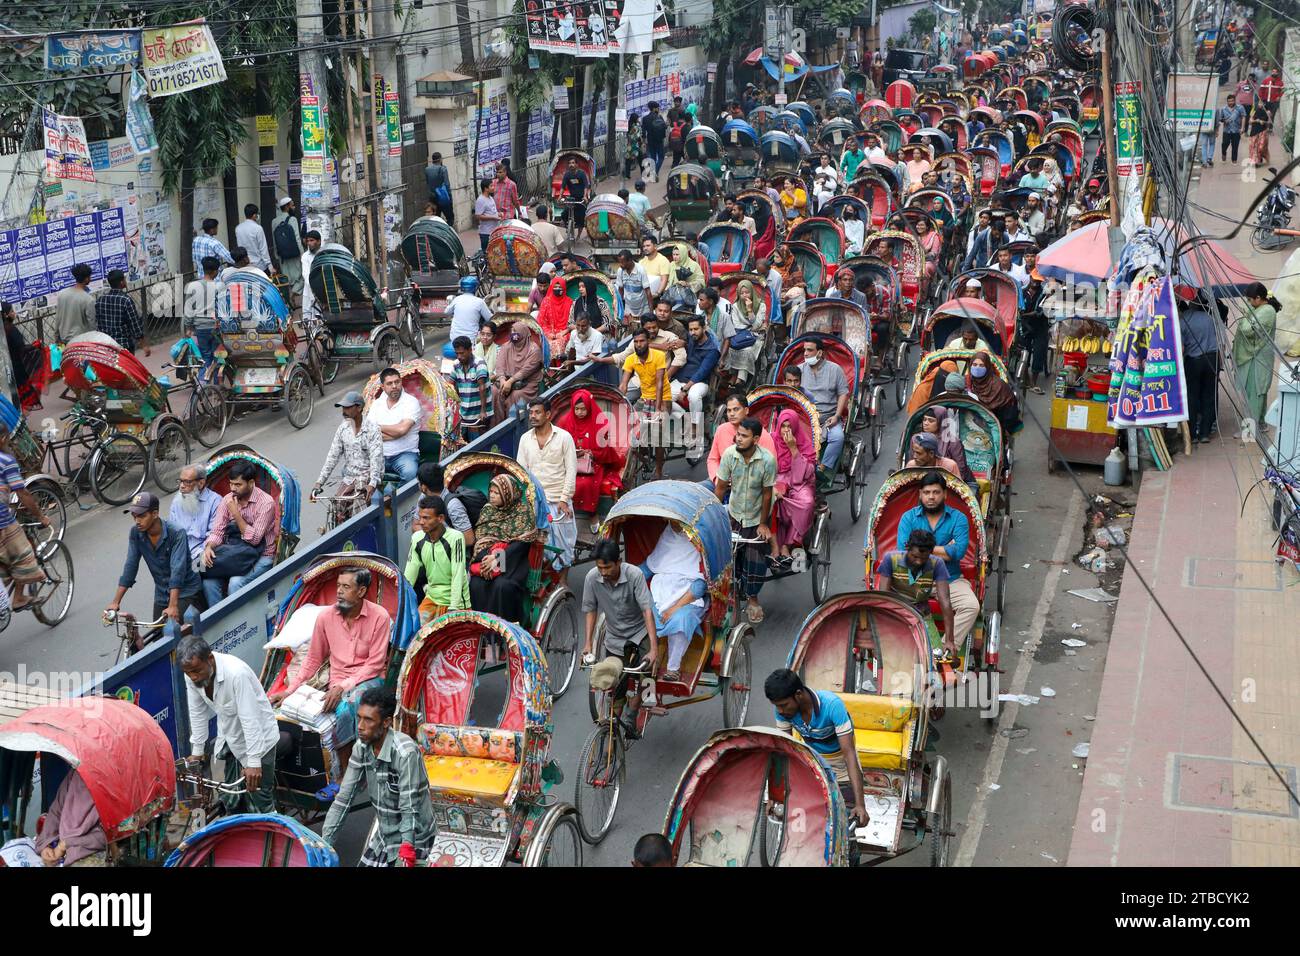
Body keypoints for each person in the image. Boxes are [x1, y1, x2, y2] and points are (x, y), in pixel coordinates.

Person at [271, 566, 391, 770]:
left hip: (369, 680)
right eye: (338, 586)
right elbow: (312, 660)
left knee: (344, 710)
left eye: (346, 587)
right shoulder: (326, 617)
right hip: (337, 682)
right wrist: (289, 691)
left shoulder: (380, 616)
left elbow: (375, 663)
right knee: (295, 710)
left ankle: (345, 771)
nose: (339, 592)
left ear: (361, 591)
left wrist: (344, 686)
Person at [321, 687, 436, 866]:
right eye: (359, 718)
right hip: (385, 833)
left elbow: (409, 806)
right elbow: (343, 799)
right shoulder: (361, 747)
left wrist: (407, 848)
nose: (359, 726)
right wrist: (323, 844)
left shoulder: (405, 753)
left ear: (386, 722)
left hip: (415, 835)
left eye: (368, 720)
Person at [879, 470, 980, 659]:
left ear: (945, 494)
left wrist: (923, 548)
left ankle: (942, 649)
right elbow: (904, 550)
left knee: (971, 606)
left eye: (936, 492)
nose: (931, 497)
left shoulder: (958, 518)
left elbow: (958, 552)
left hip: (950, 579)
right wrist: (943, 550)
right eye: (926, 493)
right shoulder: (909, 518)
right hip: (913, 579)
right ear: (920, 494)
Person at [180, 635, 280, 813]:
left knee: (259, 804)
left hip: (259, 741)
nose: (193, 677)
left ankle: (271, 836)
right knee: (224, 795)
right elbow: (196, 712)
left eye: (197, 671)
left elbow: (250, 719)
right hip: (227, 736)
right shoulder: (192, 675)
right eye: (189, 673)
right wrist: (197, 751)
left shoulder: (236, 674)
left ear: (210, 659)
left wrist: (254, 762)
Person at [764, 669, 869, 827]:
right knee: (803, 814)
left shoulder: (832, 705)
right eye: (777, 706)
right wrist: (774, 794)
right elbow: (782, 751)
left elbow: (848, 754)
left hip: (840, 764)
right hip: (811, 760)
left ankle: (851, 849)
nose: (780, 711)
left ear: (798, 694)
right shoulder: (784, 712)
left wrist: (860, 805)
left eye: (783, 705)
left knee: (846, 819)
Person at [580, 538, 660, 736]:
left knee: (647, 674)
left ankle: (633, 710)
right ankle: (613, 728)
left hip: (639, 632)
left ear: (618, 562)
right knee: (616, 683)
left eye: (607, 567)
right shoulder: (592, 578)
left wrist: (654, 649)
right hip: (615, 636)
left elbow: (647, 610)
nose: (604, 572)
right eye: (600, 568)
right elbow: (590, 609)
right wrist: (588, 643)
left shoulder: (634, 575)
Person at [108, 492, 202, 639]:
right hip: (161, 592)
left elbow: (177, 570)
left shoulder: (176, 533)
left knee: (176, 636)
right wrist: (115, 602)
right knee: (157, 638)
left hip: (185, 591)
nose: (137, 521)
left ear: (155, 513)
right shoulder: (136, 533)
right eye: (134, 516)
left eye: (141, 516)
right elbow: (130, 566)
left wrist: (172, 605)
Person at [714, 417, 776, 624]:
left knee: (755, 560)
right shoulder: (730, 455)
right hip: (734, 513)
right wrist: (714, 516)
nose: (738, 439)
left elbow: (767, 494)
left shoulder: (767, 460)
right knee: (726, 558)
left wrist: (763, 523)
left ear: (756, 439)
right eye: (738, 434)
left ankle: (753, 599)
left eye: (744, 436)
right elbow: (721, 487)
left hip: (755, 516)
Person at [200, 460, 280, 604]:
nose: (233, 489)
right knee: (207, 580)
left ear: (251, 483)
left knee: (235, 583)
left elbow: (255, 539)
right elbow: (217, 530)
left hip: (261, 554)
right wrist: (209, 547)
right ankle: (218, 621)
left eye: (238, 485)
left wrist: (236, 513)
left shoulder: (266, 502)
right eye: (231, 484)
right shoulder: (227, 500)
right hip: (234, 551)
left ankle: (237, 623)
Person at [469, 473, 542, 623]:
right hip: (486, 558)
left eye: (497, 493)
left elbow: (522, 543)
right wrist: (486, 560)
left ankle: (506, 631)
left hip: (513, 562)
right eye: (491, 492)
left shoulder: (522, 511)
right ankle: (483, 631)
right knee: (476, 584)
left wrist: (498, 558)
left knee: (502, 587)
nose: (492, 496)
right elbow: (481, 539)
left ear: (507, 493)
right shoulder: (488, 510)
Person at [875, 528, 957, 655]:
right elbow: (884, 598)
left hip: (922, 616)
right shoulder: (891, 559)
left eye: (924, 558)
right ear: (907, 548)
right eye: (914, 556)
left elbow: (945, 602)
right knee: (886, 654)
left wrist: (949, 640)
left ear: (930, 553)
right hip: (894, 614)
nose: (918, 561)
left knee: (937, 655)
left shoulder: (937, 563)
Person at [517, 397, 578, 569]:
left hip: (559, 500)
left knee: (564, 547)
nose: (533, 416)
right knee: (538, 547)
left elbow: (571, 471)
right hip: (535, 501)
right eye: (531, 413)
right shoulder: (525, 439)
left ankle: (564, 582)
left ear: (548, 414)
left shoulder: (564, 438)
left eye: (537, 412)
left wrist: (564, 499)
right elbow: (522, 473)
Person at [642, 523, 707, 682]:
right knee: (641, 612)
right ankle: (651, 655)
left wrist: (674, 608)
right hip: (660, 594)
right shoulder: (667, 536)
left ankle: (673, 667)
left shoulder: (697, 540)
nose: (673, 522)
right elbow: (649, 567)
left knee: (681, 619)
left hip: (687, 598)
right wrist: (625, 575)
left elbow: (700, 586)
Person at [314, 390, 383, 513]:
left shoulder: (372, 428)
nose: (343, 411)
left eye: (347, 407)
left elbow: (376, 458)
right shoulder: (343, 428)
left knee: (358, 505)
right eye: (343, 408)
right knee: (337, 506)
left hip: (368, 475)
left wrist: (372, 483)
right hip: (350, 476)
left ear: (359, 407)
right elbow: (332, 456)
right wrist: (319, 483)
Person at [556, 388, 623, 514]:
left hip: (593, 463)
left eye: (583, 409)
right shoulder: (564, 421)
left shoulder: (600, 422)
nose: (579, 412)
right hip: (569, 462)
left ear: (589, 407)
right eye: (577, 409)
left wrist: (590, 453)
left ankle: (592, 514)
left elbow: (604, 450)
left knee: (585, 483)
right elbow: (558, 444)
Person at [405, 495, 469, 624]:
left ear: (440, 518)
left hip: (457, 602)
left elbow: (458, 574)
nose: (421, 522)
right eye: (420, 517)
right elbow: (410, 573)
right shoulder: (417, 538)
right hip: (432, 598)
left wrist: (454, 607)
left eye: (426, 518)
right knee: (416, 633)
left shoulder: (455, 537)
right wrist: (401, 602)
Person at [769, 408, 816, 571]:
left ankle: (788, 544)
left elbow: (807, 473)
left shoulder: (803, 441)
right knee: (768, 499)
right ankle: (773, 545)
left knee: (807, 502)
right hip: (776, 479)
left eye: (789, 426)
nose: (786, 430)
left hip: (798, 482)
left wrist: (793, 449)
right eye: (783, 426)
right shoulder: (771, 440)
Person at [798, 335, 849, 474]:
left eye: (809, 350)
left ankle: (824, 468)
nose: (805, 354)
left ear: (819, 353)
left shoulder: (835, 369)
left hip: (828, 417)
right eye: (804, 350)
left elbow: (843, 393)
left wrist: (837, 416)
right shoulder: (799, 370)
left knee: (838, 437)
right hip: (805, 417)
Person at [33, 770, 105, 867]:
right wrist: (46, 845)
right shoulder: (76, 773)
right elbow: (56, 811)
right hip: (60, 848)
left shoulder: (116, 783)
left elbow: (108, 836)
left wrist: (65, 844)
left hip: (90, 852)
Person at [366, 366, 423, 482]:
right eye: (389, 383)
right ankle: (370, 499)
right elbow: (368, 433)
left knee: (410, 473)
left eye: (397, 382)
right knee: (350, 470)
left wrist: (378, 427)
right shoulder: (377, 404)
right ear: (383, 387)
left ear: (401, 382)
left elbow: (402, 430)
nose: (394, 386)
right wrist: (396, 433)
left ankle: (394, 500)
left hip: (405, 454)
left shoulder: (411, 402)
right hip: (379, 455)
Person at [1234, 282, 1278, 428]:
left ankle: (1250, 430)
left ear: (1258, 298)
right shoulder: (1258, 309)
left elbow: (1247, 329)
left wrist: (1246, 316)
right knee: (1257, 393)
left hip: (1258, 357)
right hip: (1254, 356)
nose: (1248, 302)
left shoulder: (1266, 311)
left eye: (1250, 300)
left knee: (1255, 393)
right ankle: (1259, 424)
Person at [1180, 294, 1220, 444]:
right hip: (1212, 359)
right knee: (1209, 396)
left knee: (1192, 397)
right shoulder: (1209, 318)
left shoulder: (1183, 319)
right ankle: (1205, 434)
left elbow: (1182, 347)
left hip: (1194, 361)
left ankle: (1192, 435)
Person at [170, 464, 223, 567]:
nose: (181, 486)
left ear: (201, 483)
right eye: (180, 481)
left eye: (187, 482)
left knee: (210, 583)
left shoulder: (215, 501)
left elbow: (215, 534)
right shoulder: (177, 501)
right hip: (181, 555)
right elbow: (172, 533)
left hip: (205, 553)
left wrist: (197, 556)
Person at [492, 320, 544, 421]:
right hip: (505, 380)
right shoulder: (506, 346)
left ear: (523, 333)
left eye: (515, 331)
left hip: (526, 384)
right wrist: (502, 380)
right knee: (494, 391)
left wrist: (511, 381)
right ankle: (496, 425)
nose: (513, 333)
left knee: (516, 395)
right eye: (511, 331)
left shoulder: (534, 350)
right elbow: (500, 366)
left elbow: (525, 370)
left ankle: (512, 425)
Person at [95, 269, 148, 355]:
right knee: (127, 368)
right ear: (121, 282)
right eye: (124, 279)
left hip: (107, 346)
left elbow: (98, 323)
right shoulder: (126, 300)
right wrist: (143, 345)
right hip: (124, 346)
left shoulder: (100, 300)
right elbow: (135, 324)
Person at [183, 256, 222, 372]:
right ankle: (217, 386)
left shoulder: (192, 286)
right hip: (216, 327)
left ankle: (204, 385)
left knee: (205, 358)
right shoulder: (219, 287)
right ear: (215, 271)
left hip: (200, 328)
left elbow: (188, 311)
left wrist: (188, 327)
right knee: (217, 358)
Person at [967, 350, 1020, 433]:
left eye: (981, 365)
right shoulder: (967, 381)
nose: (977, 368)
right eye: (974, 365)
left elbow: (1009, 412)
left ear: (987, 367)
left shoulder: (999, 386)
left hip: (998, 426)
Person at [920, 405, 974, 482]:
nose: (926, 423)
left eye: (931, 421)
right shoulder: (919, 439)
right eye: (924, 420)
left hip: (956, 482)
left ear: (940, 422)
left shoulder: (953, 442)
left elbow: (961, 470)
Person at [450, 336, 492, 436]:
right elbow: (451, 384)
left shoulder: (479, 364)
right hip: (463, 412)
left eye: (462, 353)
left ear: (470, 350)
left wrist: (483, 411)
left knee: (476, 443)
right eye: (457, 353)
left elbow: (482, 387)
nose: (459, 356)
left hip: (479, 413)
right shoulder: (456, 365)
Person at [728, 278, 766, 385]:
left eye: (747, 292)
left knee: (748, 350)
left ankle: (741, 378)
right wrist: (749, 326)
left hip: (755, 336)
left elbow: (757, 325)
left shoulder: (760, 305)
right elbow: (736, 324)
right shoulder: (735, 306)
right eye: (742, 293)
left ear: (752, 292)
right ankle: (734, 373)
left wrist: (749, 310)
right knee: (732, 347)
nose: (745, 295)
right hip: (740, 334)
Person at [54, 263, 96, 344]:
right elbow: (92, 324)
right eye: (90, 277)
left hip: (64, 339)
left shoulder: (62, 294)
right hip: (80, 341)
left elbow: (58, 318)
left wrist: (56, 337)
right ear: (86, 279)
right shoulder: (88, 299)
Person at [271, 197, 304, 295]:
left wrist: (276, 254)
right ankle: (294, 294)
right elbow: (297, 238)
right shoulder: (292, 219)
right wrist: (302, 253)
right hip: (294, 253)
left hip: (282, 255)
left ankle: (290, 297)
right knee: (299, 277)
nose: (294, 207)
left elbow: (274, 239)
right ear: (287, 206)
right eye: (292, 205)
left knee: (287, 277)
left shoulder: (274, 221)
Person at [535, 275, 571, 359]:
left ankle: (560, 368)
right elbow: (540, 322)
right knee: (543, 344)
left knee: (558, 344)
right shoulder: (546, 301)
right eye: (555, 286)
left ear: (564, 288)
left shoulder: (569, 302)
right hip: (548, 332)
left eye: (559, 287)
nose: (557, 289)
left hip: (564, 333)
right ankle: (547, 368)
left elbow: (572, 322)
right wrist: (549, 333)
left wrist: (563, 332)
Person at [615, 250, 653, 327]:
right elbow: (620, 290)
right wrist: (620, 309)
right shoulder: (620, 271)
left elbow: (648, 291)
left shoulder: (640, 270)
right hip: (629, 306)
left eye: (622, 262)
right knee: (629, 328)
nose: (620, 265)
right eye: (619, 262)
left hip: (643, 306)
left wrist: (651, 311)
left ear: (629, 261)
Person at [235, 203, 272, 273]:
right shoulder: (258, 228)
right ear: (255, 215)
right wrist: (270, 265)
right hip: (259, 266)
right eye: (258, 214)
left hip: (244, 265)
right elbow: (263, 249)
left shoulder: (238, 228)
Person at [560, 157, 591, 229]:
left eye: (573, 163)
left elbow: (586, 186)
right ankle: (565, 223)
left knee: (581, 218)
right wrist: (560, 196)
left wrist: (585, 196)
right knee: (565, 213)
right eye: (570, 163)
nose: (571, 165)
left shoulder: (581, 173)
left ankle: (579, 235)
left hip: (581, 198)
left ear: (577, 164)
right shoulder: (567, 175)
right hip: (572, 198)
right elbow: (563, 186)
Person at [425, 151, 454, 225]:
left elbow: (428, 183)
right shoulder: (443, 169)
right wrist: (450, 197)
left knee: (435, 218)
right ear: (440, 159)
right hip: (443, 196)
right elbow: (447, 184)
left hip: (432, 197)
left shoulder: (427, 169)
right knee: (450, 218)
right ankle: (448, 233)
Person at [1219, 94, 1247, 163]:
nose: (1230, 103)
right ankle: (1224, 153)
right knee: (1224, 144)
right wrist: (1224, 120)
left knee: (1235, 146)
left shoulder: (1240, 108)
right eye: (1229, 101)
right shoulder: (1223, 109)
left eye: (1232, 101)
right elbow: (1220, 119)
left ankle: (1234, 160)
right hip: (1227, 130)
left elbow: (1243, 117)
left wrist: (1242, 128)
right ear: (1227, 101)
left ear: (1235, 101)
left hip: (1236, 130)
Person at [474, 178, 499, 252]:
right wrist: (493, 218)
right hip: (486, 233)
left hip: (494, 231)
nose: (493, 187)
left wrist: (498, 214)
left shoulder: (490, 198)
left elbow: (492, 211)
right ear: (486, 188)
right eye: (491, 186)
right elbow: (478, 216)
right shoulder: (481, 200)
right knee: (487, 253)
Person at [300, 230, 321, 317]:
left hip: (322, 292)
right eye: (308, 241)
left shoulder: (324, 253)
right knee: (307, 318)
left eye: (312, 240)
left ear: (319, 241)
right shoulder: (305, 256)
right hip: (309, 291)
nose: (309, 243)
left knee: (321, 319)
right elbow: (306, 274)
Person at [643, 101, 668, 175]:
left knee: (653, 157)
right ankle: (655, 172)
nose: (658, 109)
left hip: (650, 139)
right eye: (657, 108)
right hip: (659, 140)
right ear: (654, 109)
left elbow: (643, 131)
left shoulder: (645, 118)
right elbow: (665, 127)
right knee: (661, 157)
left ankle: (651, 171)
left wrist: (644, 141)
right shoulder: (659, 117)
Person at [1247, 102, 1272, 166]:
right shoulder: (1254, 111)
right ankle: (1256, 161)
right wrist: (1256, 120)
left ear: (1264, 104)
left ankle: (1261, 156)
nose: (1260, 105)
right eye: (1259, 103)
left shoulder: (1267, 112)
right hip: (1254, 131)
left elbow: (1270, 122)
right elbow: (1250, 121)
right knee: (1254, 146)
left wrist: (1264, 122)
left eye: (1262, 103)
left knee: (1261, 147)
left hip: (1263, 131)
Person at [624, 113, 645, 179]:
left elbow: (628, 135)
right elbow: (638, 136)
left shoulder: (628, 125)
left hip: (630, 145)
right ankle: (643, 173)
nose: (638, 119)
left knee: (628, 161)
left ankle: (627, 175)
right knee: (641, 160)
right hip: (636, 145)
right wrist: (642, 142)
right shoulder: (635, 126)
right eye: (637, 118)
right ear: (635, 119)